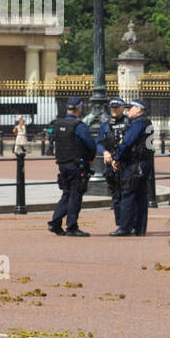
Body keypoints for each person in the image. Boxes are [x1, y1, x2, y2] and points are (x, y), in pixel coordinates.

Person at [48, 97, 96, 237]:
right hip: (77, 164)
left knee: (67, 193)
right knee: (75, 195)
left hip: (63, 163)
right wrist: (90, 158)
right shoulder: (78, 125)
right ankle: (71, 226)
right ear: (79, 108)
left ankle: (55, 223)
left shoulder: (58, 124)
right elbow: (90, 144)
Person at [111, 99, 155, 236]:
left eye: (131, 108)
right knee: (141, 195)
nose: (128, 110)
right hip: (146, 162)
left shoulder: (138, 123)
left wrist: (117, 157)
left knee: (128, 193)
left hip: (135, 163)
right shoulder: (147, 122)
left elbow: (127, 142)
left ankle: (125, 227)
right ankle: (140, 228)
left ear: (139, 110)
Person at [98, 98, 130, 233]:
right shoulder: (105, 125)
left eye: (116, 107)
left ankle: (129, 223)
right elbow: (98, 142)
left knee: (127, 194)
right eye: (112, 107)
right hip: (111, 164)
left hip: (126, 163)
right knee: (116, 195)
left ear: (123, 108)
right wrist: (105, 152)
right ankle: (120, 224)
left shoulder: (129, 123)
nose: (114, 110)